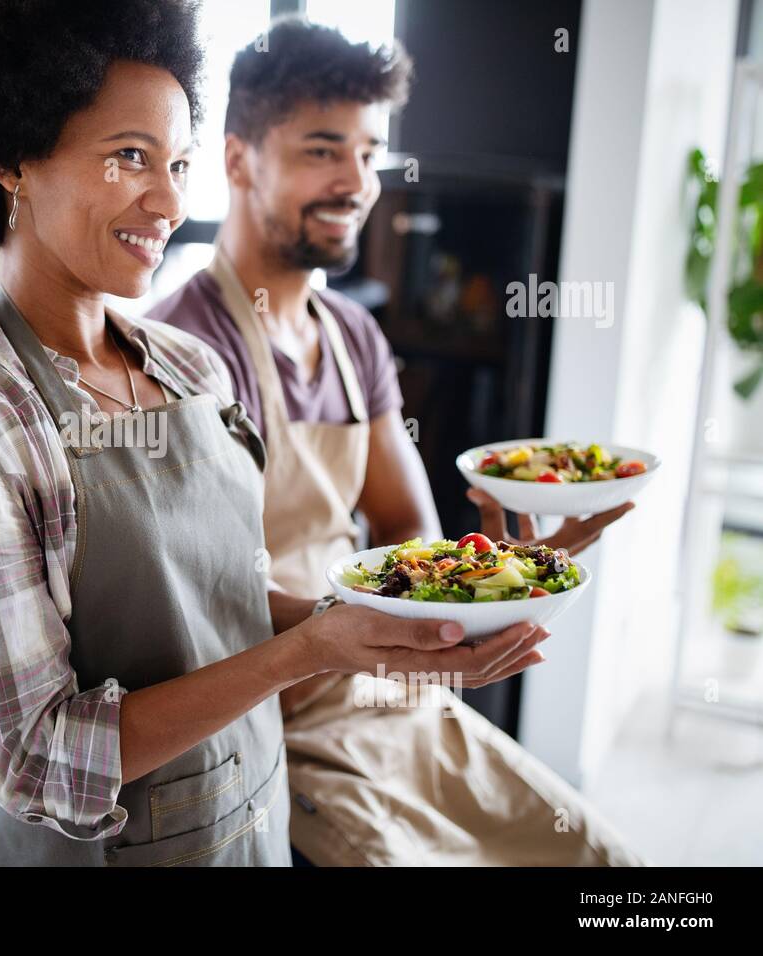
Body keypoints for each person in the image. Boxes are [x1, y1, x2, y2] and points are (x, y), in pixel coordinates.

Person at [0, 0, 548, 867]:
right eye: (130, 158)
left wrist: (377, 633)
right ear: (12, 158)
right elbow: (36, 761)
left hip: (252, 823)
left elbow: (221, 600)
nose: (167, 200)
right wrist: (307, 652)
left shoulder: (190, 368)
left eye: (179, 162)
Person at [149, 18, 642, 866]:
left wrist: (502, 570)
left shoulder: (353, 337)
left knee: (603, 864)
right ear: (237, 160)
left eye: (370, 153)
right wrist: (374, 633)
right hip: (270, 720)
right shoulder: (182, 351)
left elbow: (407, 539)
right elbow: (198, 602)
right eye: (322, 150)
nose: (356, 182)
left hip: (387, 691)